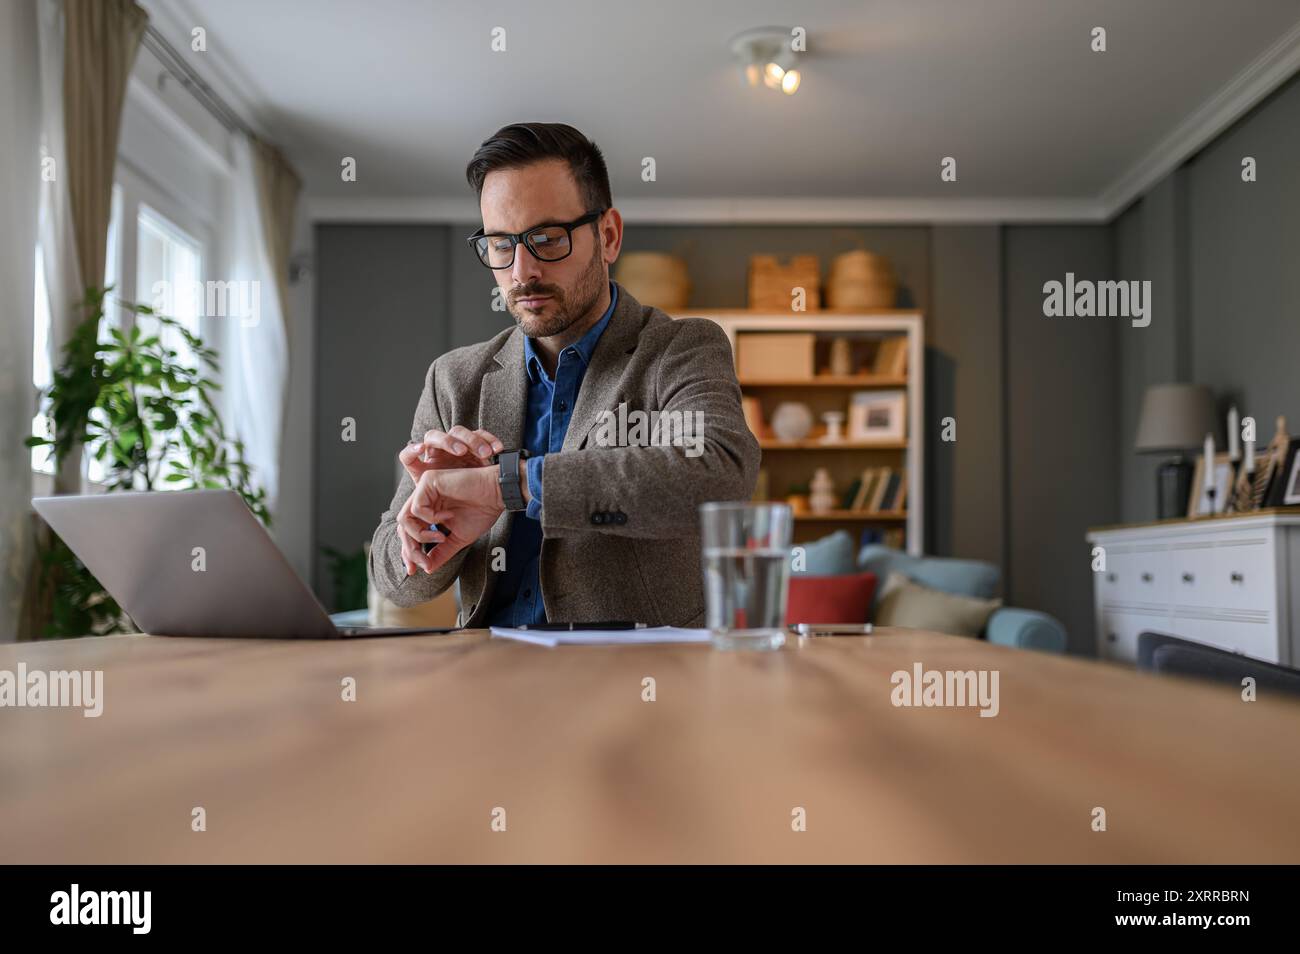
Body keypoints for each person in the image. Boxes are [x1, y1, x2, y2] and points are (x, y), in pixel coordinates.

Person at [368, 122, 759, 627]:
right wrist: (434, 529)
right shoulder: (454, 379)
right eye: (501, 244)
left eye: (547, 239)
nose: (522, 270)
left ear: (608, 235)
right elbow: (392, 577)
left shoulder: (680, 349)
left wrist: (508, 486)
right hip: (488, 676)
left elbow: (719, 474)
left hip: (641, 680)